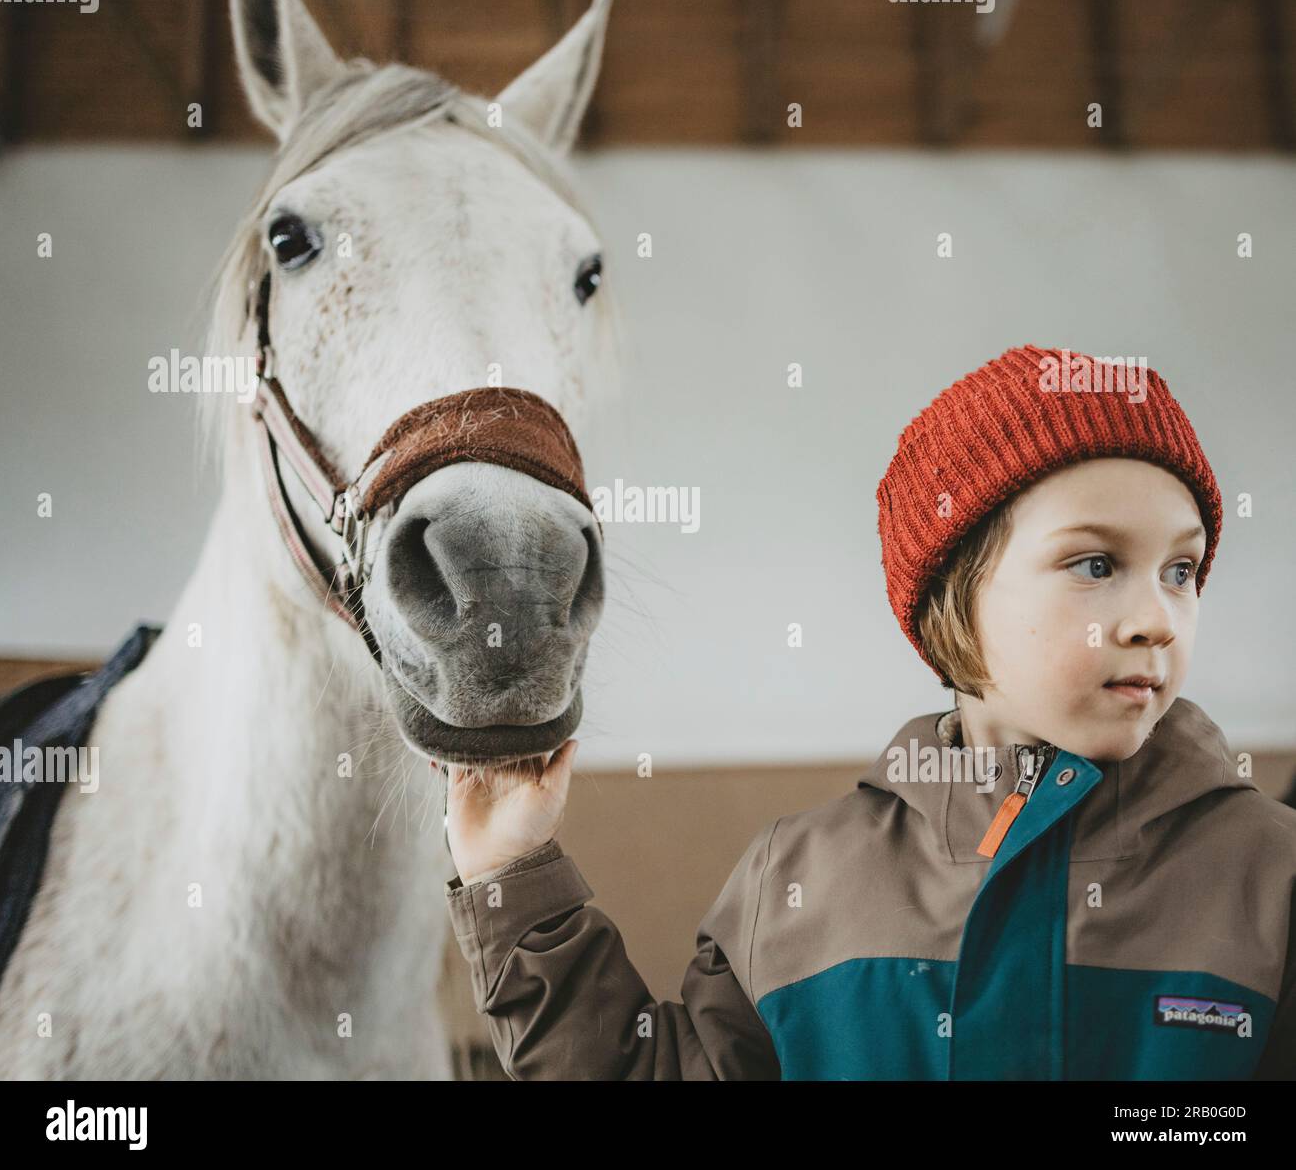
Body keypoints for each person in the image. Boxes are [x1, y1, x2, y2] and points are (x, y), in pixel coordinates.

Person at [441, 344, 1296, 1080]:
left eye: (1182, 571)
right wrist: (511, 877)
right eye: (1096, 564)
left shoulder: (1270, 873)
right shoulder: (797, 877)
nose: (1156, 618)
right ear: (955, 595)